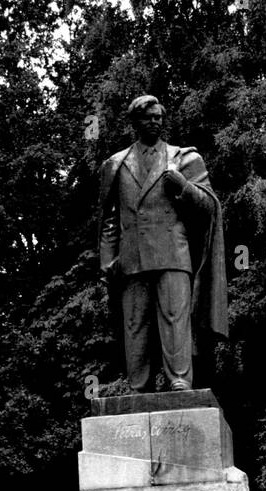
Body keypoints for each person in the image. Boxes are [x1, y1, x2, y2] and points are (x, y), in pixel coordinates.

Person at [97, 94, 228, 392]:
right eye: (148, 117)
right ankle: (138, 384)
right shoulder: (116, 165)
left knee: (174, 318)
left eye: (158, 117)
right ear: (135, 122)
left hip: (173, 253)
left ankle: (179, 379)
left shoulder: (184, 158)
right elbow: (108, 218)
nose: (155, 122)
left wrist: (183, 186)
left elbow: (210, 207)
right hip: (131, 259)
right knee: (135, 324)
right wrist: (107, 262)